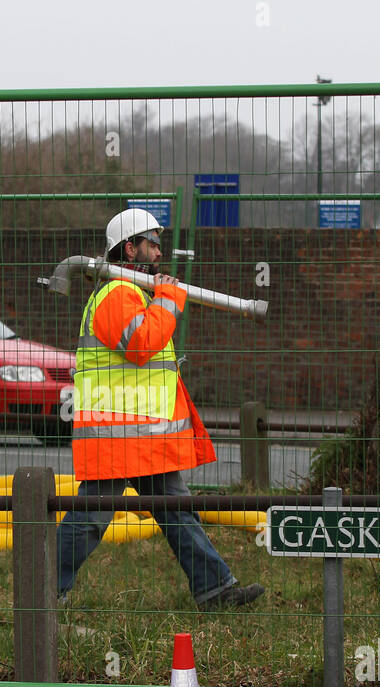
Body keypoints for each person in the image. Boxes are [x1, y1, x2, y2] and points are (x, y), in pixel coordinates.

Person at [57, 210, 264, 611]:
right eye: (151, 242)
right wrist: (168, 299)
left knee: (177, 511)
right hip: (114, 437)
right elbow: (141, 345)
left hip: (141, 440)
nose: (159, 251)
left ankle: (216, 590)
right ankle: (43, 591)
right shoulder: (117, 294)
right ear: (130, 247)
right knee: (90, 520)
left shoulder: (134, 294)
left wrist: (161, 298)